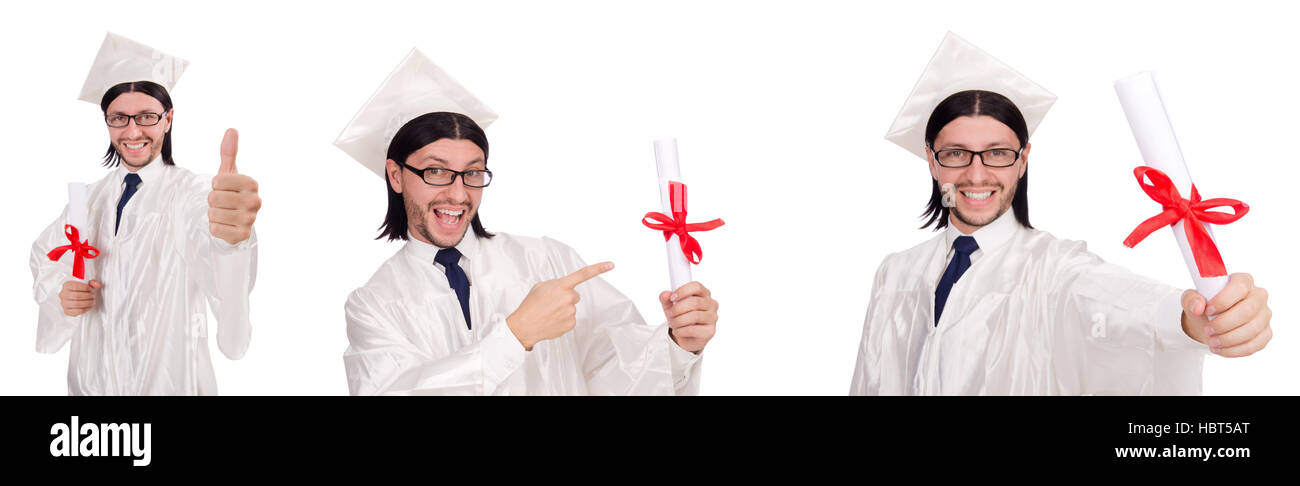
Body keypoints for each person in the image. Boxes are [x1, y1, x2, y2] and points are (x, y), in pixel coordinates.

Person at [851, 33, 1271, 395]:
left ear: (1023, 159)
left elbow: (1121, 307)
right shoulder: (894, 274)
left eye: (997, 153)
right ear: (931, 158)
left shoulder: (1053, 269)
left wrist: (1194, 321)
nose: (976, 174)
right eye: (956, 153)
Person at [335, 50, 716, 395]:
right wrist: (515, 336)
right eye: (436, 171)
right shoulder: (374, 304)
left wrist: (679, 344)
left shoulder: (547, 262)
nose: (458, 193)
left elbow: (616, 372)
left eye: (472, 172)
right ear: (396, 175)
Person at [29, 33, 261, 395]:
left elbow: (215, 255)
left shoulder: (191, 194)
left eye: (147, 116)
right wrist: (63, 294)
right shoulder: (86, 201)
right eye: (119, 117)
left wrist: (229, 242)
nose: (133, 130)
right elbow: (46, 259)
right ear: (106, 121)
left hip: (169, 383)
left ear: (168, 119)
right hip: (94, 393)